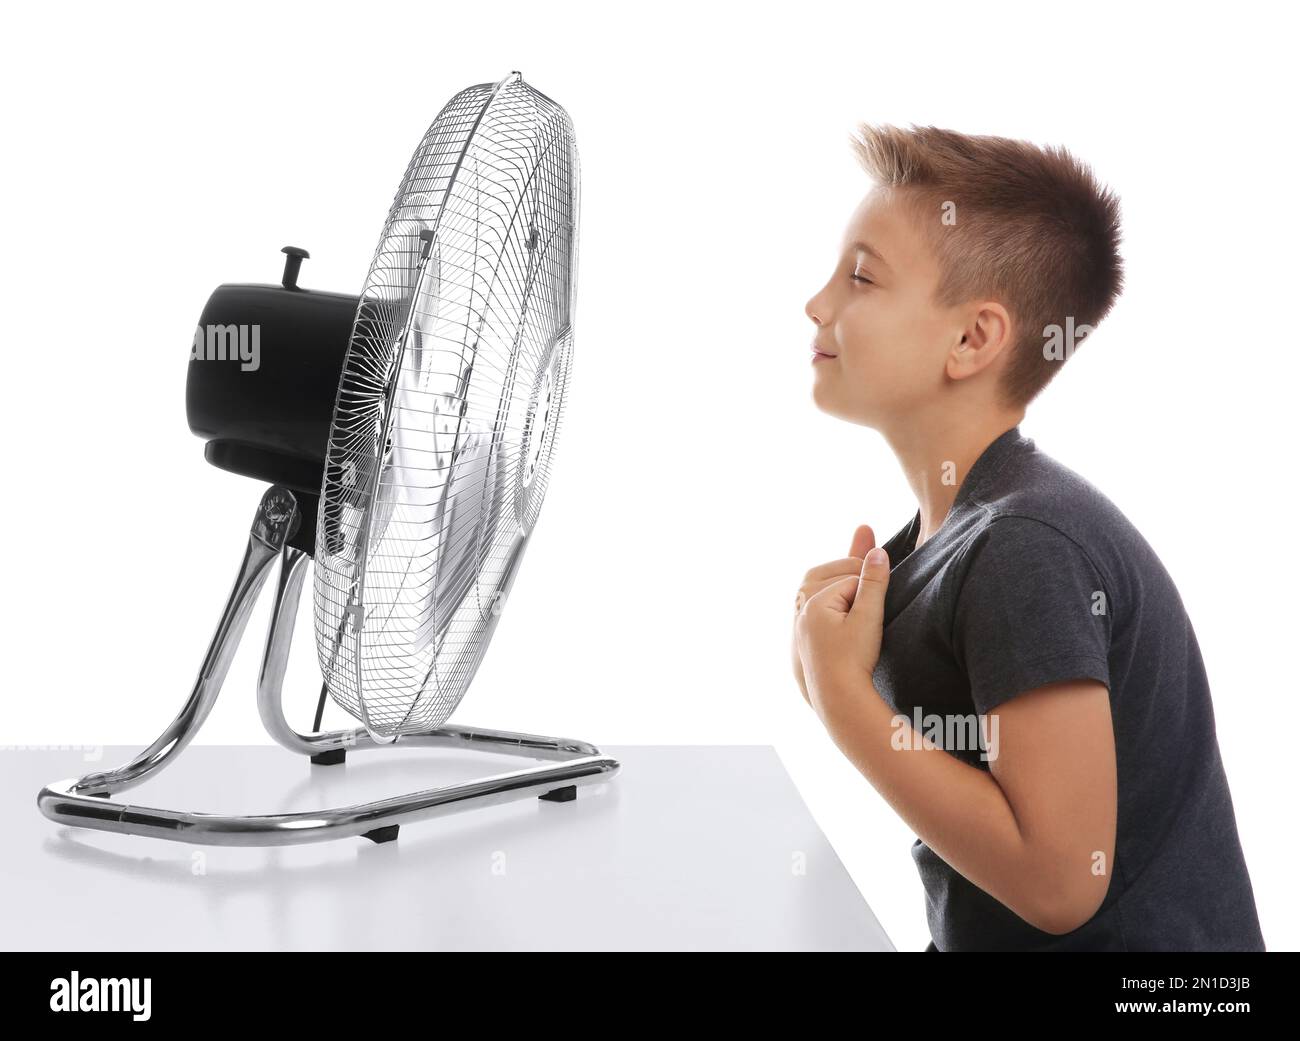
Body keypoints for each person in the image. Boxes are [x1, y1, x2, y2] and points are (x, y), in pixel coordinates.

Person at [791, 125, 1264, 951]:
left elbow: (1058, 880)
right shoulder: (953, 534)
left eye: (861, 277)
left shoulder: (1025, 547)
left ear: (973, 340)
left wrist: (845, 704)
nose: (817, 303)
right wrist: (839, 667)